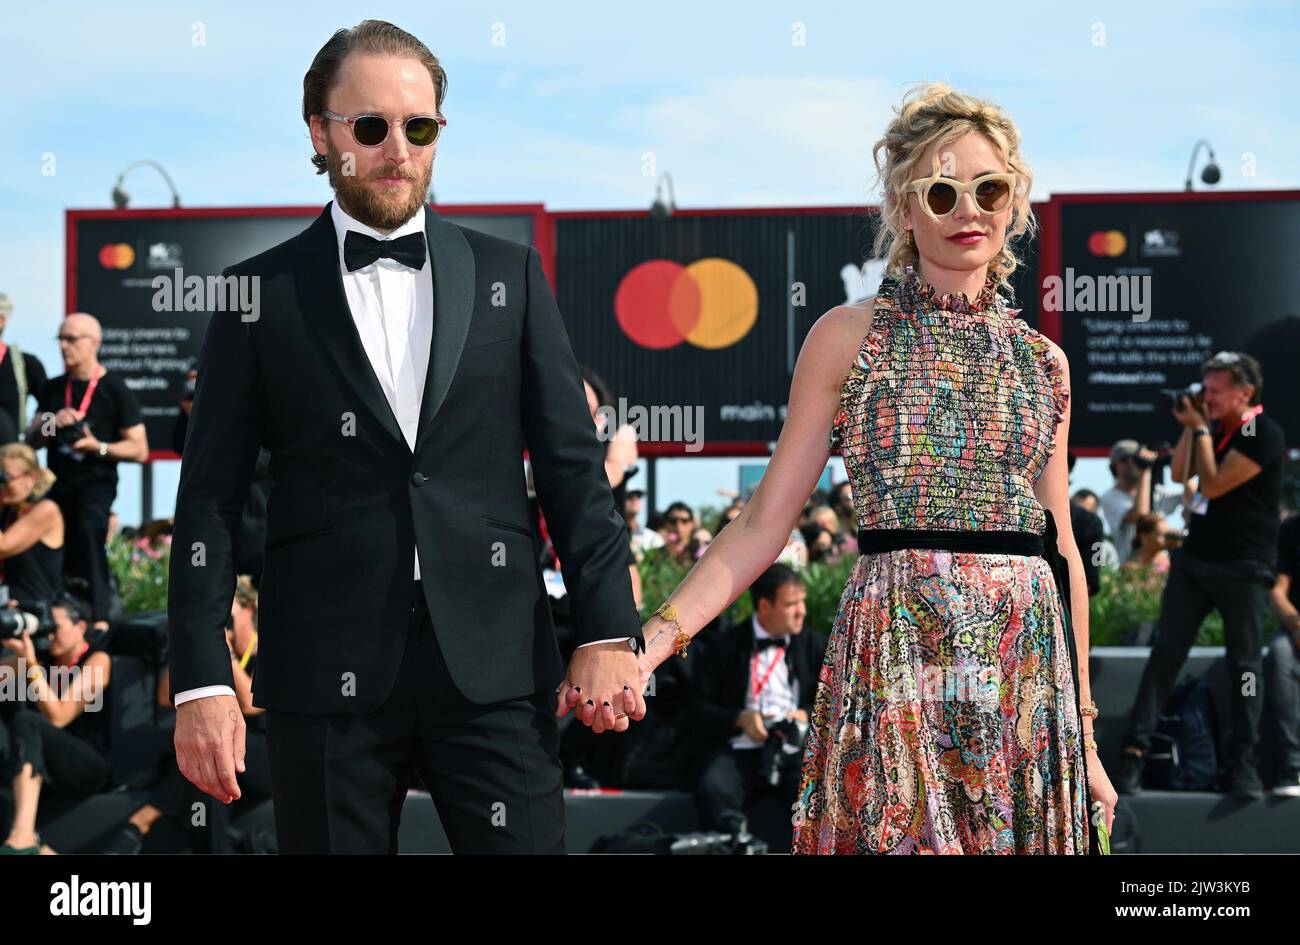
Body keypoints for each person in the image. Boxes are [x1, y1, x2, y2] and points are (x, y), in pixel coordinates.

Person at [168, 20, 643, 855]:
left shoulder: (511, 277)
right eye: (370, 126)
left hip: (497, 665)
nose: (397, 147)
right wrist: (204, 677)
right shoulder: (257, 295)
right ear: (320, 134)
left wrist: (606, 631)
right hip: (324, 672)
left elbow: (573, 470)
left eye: (418, 127)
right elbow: (209, 499)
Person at [602, 83, 1117, 853]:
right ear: (905, 209)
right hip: (895, 655)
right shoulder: (848, 338)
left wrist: (1084, 733)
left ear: (1014, 200)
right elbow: (762, 521)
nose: (967, 209)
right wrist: (651, 642)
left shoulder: (1045, 364)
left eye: (990, 188)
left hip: (1022, 666)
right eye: (941, 192)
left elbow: (1063, 551)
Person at [1115, 351, 1286, 799]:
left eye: (1214, 391)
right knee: (1164, 656)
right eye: (1203, 389)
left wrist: (1202, 428)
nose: (1204, 397)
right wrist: (1194, 428)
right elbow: (1179, 471)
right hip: (1195, 563)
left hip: (1244, 568)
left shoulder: (1260, 432)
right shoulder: (1212, 427)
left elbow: (1211, 485)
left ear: (1244, 393)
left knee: (1245, 665)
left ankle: (1242, 765)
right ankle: (1135, 752)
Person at [104, 577, 273, 853]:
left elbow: (251, 704)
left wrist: (223, 652)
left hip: (264, 753)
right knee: (204, 776)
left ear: (248, 609)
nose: (224, 625)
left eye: (227, 617)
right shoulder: (210, 648)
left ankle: (141, 822)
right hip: (224, 751)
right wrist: (193, 646)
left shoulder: (265, 647)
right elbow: (164, 696)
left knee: (212, 751)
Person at [25, 312, 148, 630]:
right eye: (60, 339)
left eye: (71, 339)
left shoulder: (114, 388)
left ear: (94, 342)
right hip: (58, 481)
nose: (64, 346)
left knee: (88, 526)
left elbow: (139, 448)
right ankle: (48, 610)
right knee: (39, 534)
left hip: (96, 481)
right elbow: (31, 437)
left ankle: (101, 615)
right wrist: (55, 421)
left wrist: (97, 447)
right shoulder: (54, 388)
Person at [691, 565, 826, 850]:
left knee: (819, 793)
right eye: (791, 604)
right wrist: (740, 719)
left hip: (794, 751)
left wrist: (805, 714)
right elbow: (696, 710)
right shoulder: (724, 647)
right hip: (742, 748)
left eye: (802, 601)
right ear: (765, 606)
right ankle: (735, 844)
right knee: (714, 788)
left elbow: (834, 700)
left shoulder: (815, 644)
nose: (802, 610)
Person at [0, 593, 111, 854]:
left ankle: (24, 835)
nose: (49, 635)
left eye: (55, 627)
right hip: (48, 765)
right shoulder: (41, 656)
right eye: (45, 627)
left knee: (27, 720)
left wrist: (31, 666)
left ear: (80, 627)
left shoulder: (98, 660)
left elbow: (59, 716)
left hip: (88, 764)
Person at [1100, 440, 1184, 567]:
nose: (1130, 464)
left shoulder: (1157, 492)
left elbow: (1191, 498)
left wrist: (1180, 463)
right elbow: (1140, 516)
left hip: (1159, 568)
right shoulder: (1110, 497)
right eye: (1124, 460)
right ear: (1114, 466)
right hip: (1131, 569)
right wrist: (1145, 471)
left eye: (1133, 459)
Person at [0, 443, 65, 607]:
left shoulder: (46, 510)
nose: (2, 486)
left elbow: (3, 546)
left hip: (36, 615)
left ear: (31, 477)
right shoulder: (8, 512)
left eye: (6, 478)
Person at [1266, 511, 1300, 796]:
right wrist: (1297, 625)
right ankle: (1292, 764)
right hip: (1295, 627)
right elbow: (1278, 591)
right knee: (1279, 655)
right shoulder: (1291, 528)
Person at [0, 294, 49, 446]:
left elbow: (51, 408)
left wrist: (41, 439)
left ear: (1, 320)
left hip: (9, 462)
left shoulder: (25, 365)